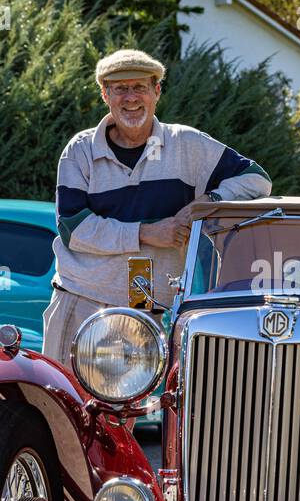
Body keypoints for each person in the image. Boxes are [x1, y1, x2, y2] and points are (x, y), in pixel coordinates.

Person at [42, 48, 271, 363]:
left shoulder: (187, 145)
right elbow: (73, 229)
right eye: (121, 89)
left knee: (125, 411)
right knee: (62, 404)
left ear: (156, 91)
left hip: (145, 305)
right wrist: (147, 233)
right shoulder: (80, 151)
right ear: (105, 94)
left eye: (140, 87)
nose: (131, 97)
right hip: (81, 297)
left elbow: (256, 179)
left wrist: (206, 203)